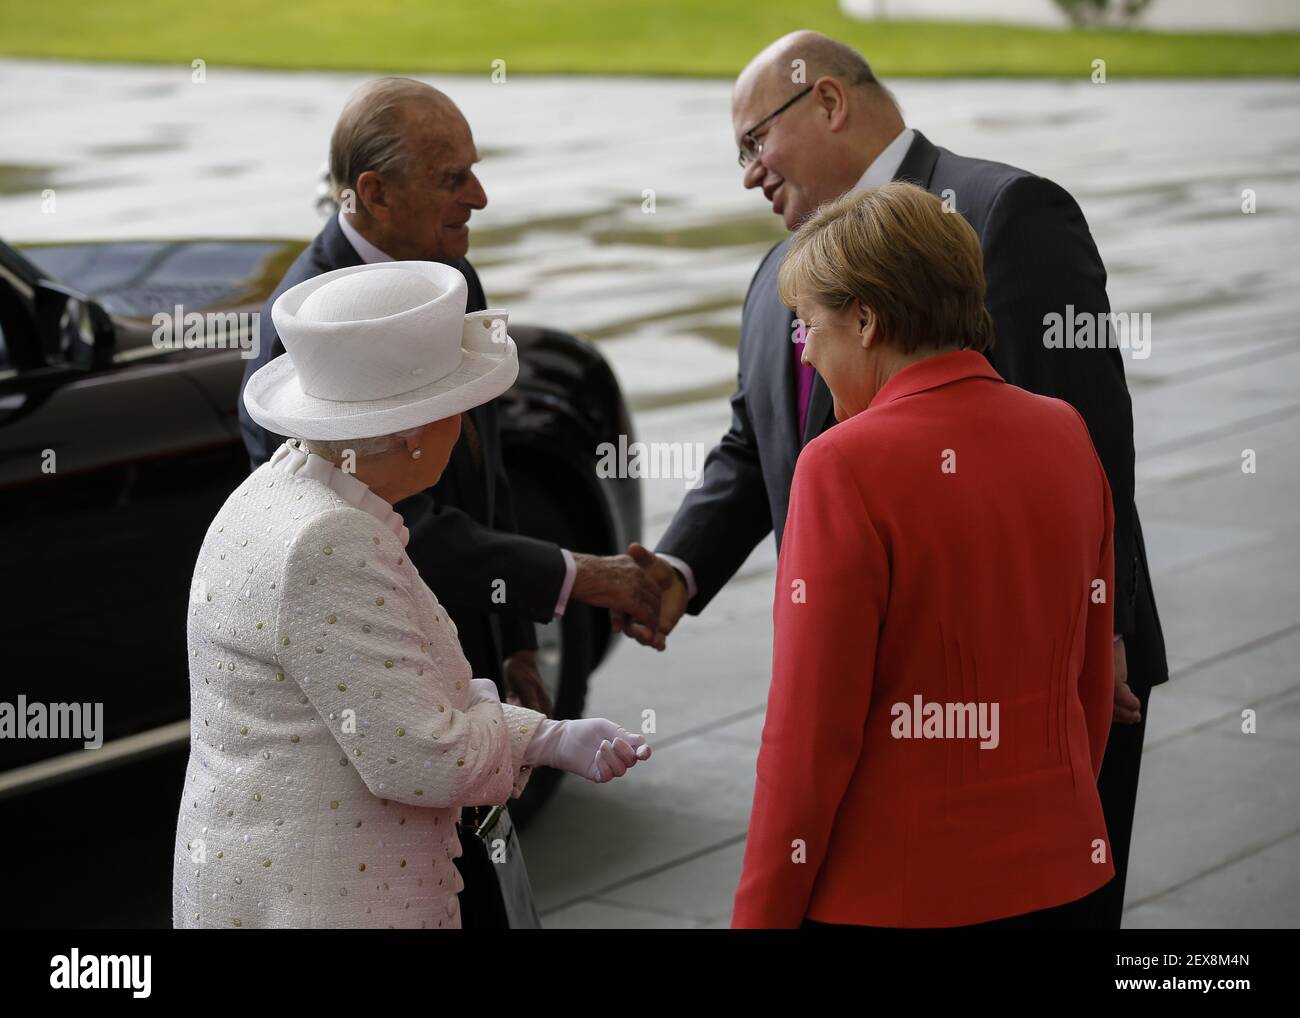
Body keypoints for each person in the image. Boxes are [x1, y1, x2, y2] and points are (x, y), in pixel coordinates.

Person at [624, 31, 1167, 928]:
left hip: (1040, 692)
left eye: (754, 142)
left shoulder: (1008, 211)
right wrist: (675, 570)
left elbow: (1096, 436)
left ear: (828, 101)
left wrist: (1102, 631)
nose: (749, 174)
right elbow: (753, 449)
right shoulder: (779, 273)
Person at [174, 260, 651, 929]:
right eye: (459, 408)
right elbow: (421, 756)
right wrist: (546, 738)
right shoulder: (329, 540)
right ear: (416, 432)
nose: (467, 427)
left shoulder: (275, 491)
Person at [732, 182, 1114, 928]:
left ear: (867, 320)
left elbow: (809, 740)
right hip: (1064, 872)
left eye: (808, 327)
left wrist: (762, 916)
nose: (803, 355)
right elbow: (1090, 686)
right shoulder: (1064, 429)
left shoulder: (843, 464)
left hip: (899, 897)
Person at [239, 76, 663, 717]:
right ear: (375, 193)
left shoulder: (452, 275)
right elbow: (385, 529)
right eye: (451, 178)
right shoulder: (300, 330)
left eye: (474, 172)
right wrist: (583, 575)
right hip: (382, 687)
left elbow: (485, 471)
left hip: (476, 662)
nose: (479, 197)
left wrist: (516, 639)